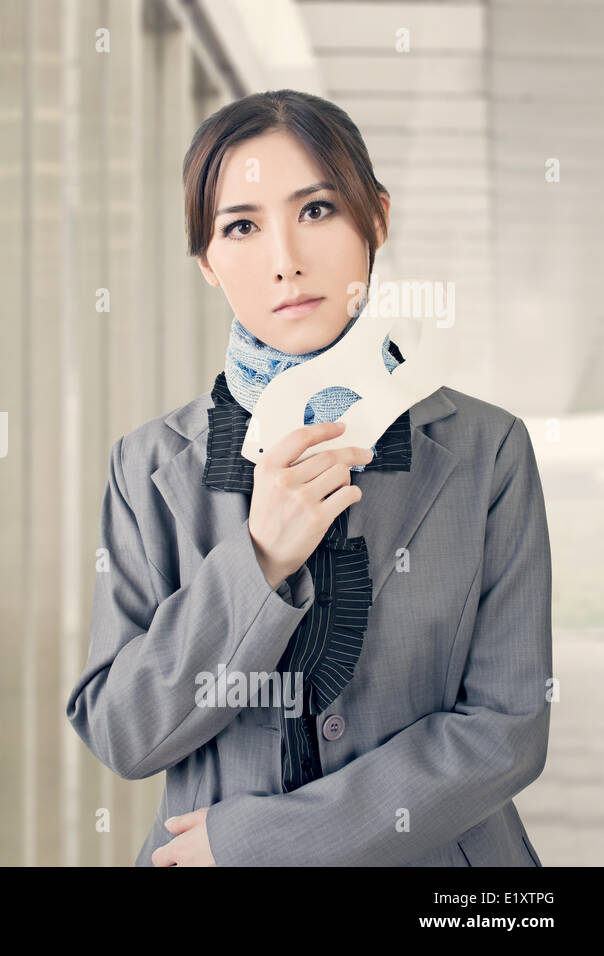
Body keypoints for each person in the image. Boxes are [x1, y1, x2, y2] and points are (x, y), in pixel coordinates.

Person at [64, 90, 552, 866]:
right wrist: (258, 561)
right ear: (207, 262)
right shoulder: (150, 468)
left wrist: (269, 840)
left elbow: (508, 727)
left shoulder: (486, 451)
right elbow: (124, 731)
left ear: (377, 218)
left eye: (317, 210)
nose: (285, 259)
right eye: (242, 227)